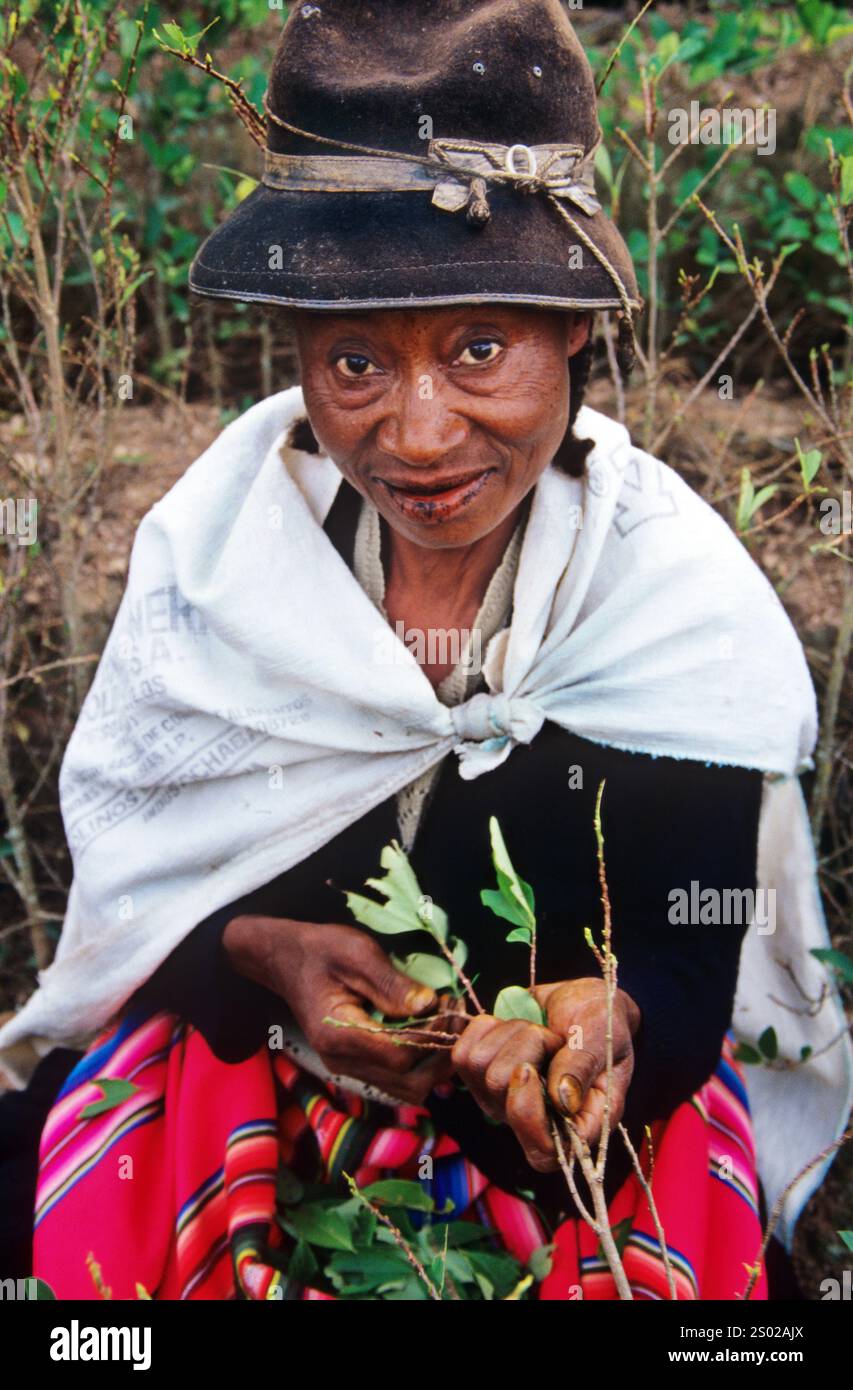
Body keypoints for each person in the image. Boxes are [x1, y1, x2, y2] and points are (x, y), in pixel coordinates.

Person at [0, 0, 847, 1301]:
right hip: (260, 1074)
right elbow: (141, 904)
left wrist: (614, 1025)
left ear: (575, 332)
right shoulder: (227, 564)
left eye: (478, 347)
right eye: (351, 360)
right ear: (288, 355)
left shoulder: (670, 606)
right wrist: (253, 953)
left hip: (565, 1147)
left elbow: (696, 941)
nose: (417, 431)